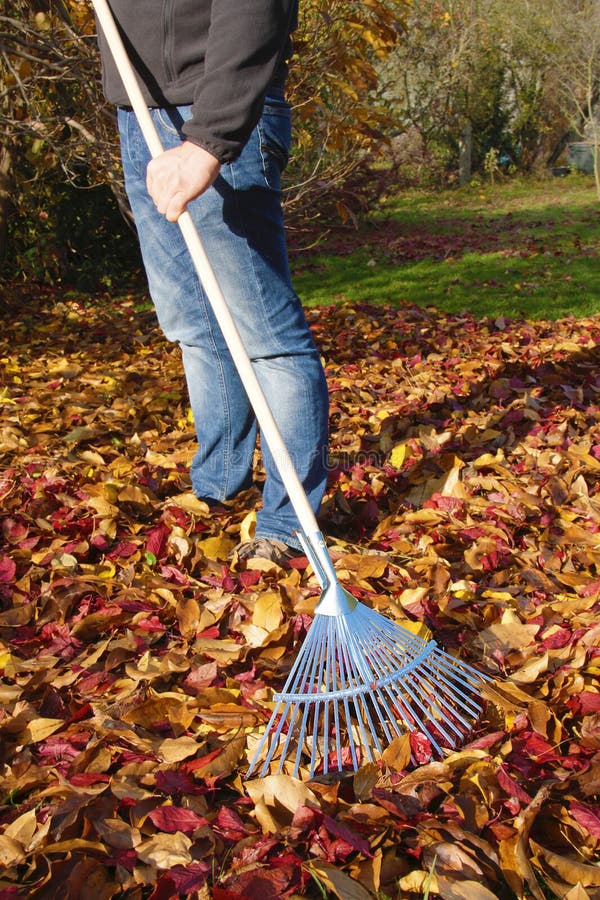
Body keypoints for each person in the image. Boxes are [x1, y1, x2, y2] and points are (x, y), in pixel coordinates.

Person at [96, 1, 329, 564]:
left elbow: (257, 6)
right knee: (194, 324)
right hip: (140, 111)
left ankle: (288, 521)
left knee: (263, 334)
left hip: (219, 109)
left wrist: (210, 139)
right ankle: (219, 488)